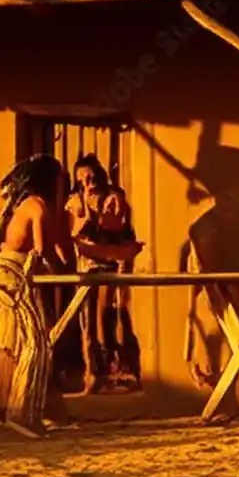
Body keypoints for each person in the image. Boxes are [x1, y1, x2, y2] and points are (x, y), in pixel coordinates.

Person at [0, 154, 71, 438]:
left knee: (9, 338)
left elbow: (56, 244)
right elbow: (41, 250)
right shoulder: (37, 206)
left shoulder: (23, 205)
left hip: (0, 272)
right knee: (36, 343)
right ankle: (23, 414)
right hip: (11, 275)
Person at [65, 154, 144, 393]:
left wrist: (93, 216)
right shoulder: (74, 202)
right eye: (83, 178)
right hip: (83, 267)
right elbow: (72, 233)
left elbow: (115, 226)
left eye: (92, 177)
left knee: (105, 320)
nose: (89, 182)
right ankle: (92, 374)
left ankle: (116, 370)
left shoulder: (112, 199)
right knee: (86, 325)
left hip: (107, 265)